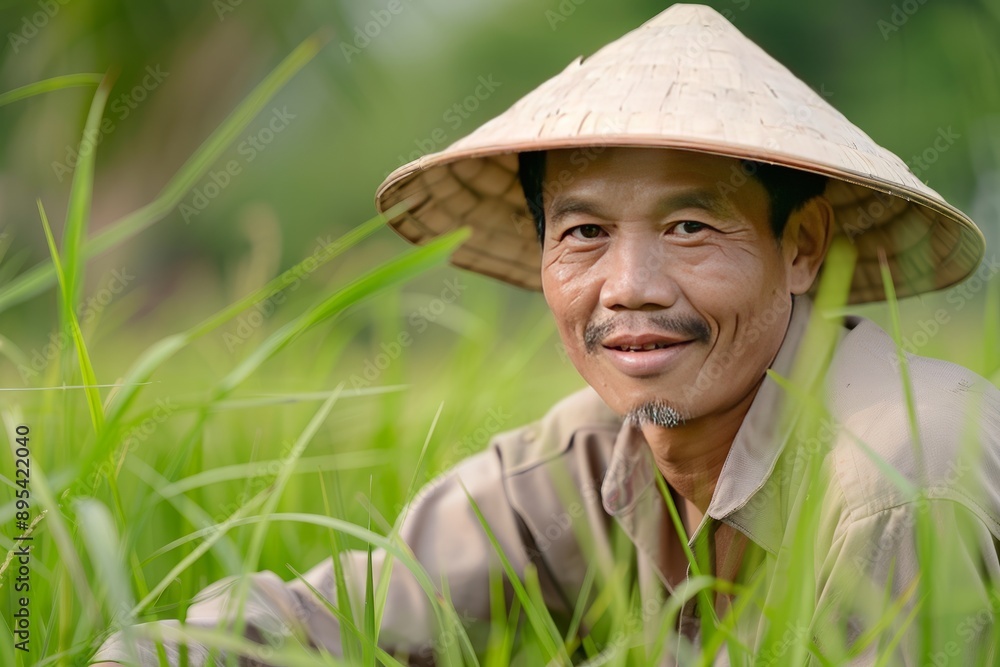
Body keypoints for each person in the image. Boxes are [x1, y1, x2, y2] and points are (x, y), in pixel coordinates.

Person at [93, 4, 1000, 665]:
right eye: (584, 234)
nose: (629, 289)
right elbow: (328, 623)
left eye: (690, 227)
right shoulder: (587, 464)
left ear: (800, 250)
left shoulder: (900, 481)